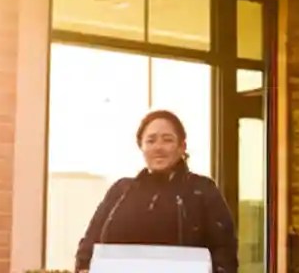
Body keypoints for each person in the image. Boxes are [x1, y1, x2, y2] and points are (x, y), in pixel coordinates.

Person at [74, 110, 238, 273]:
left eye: (167, 140)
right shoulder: (121, 191)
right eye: (150, 141)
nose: (158, 147)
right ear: (141, 146)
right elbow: (89, 244)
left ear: (182, 146)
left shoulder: (202, 190)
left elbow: (224, 250)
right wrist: (83, 267)